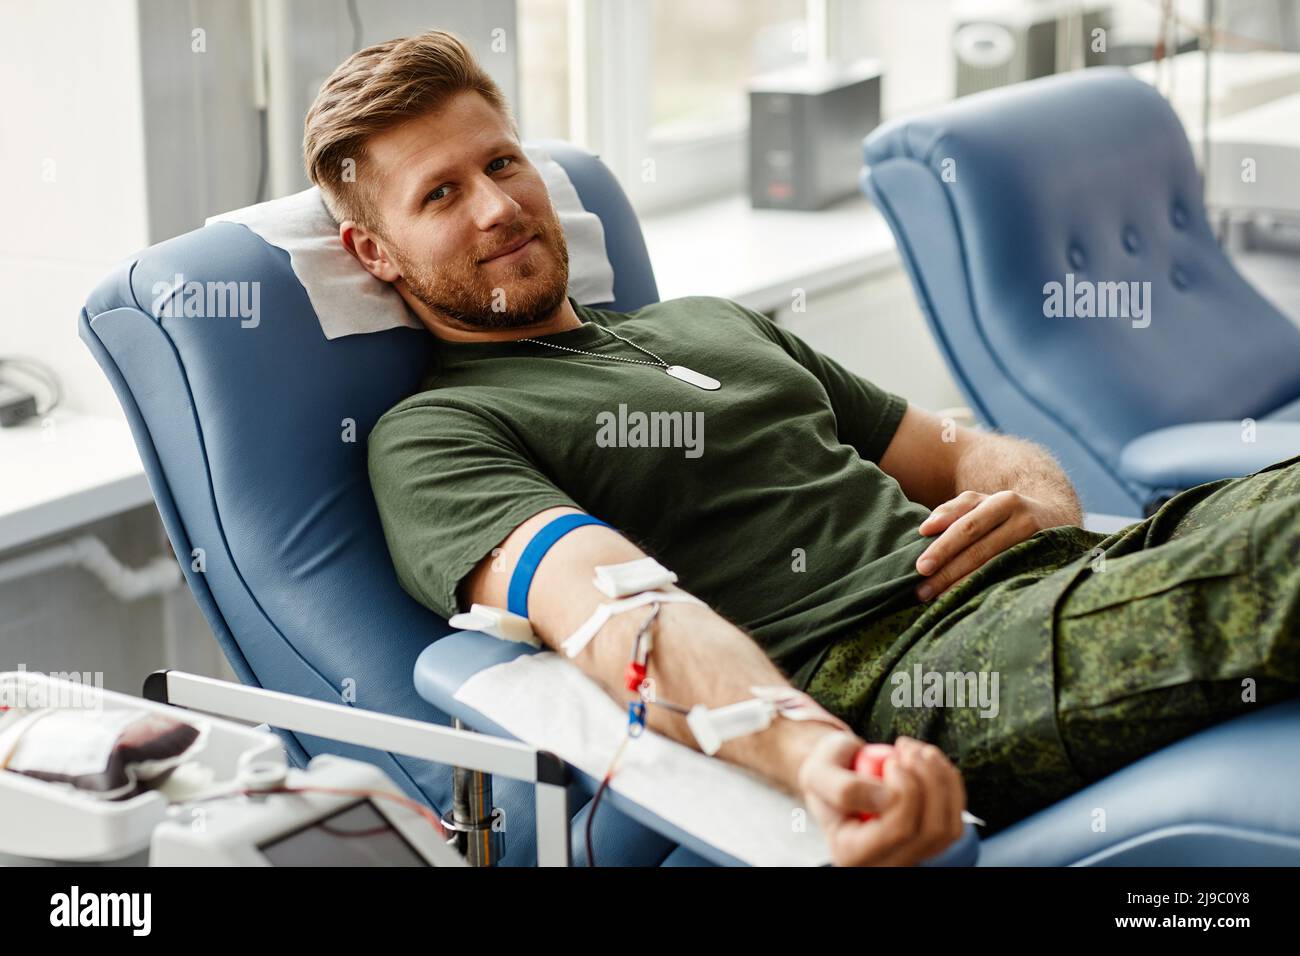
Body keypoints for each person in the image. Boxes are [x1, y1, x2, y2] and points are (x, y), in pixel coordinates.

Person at [303, 30, 1300, 865]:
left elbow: (959, 448)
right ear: (374, 253)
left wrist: (1040, 496)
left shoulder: (707, 322)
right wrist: (815, 753)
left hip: (1066, 568)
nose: (496, 205)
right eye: (440, 194)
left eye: (502, 162)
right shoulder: (436, 434)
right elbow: (616, 611)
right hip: (912, 672)